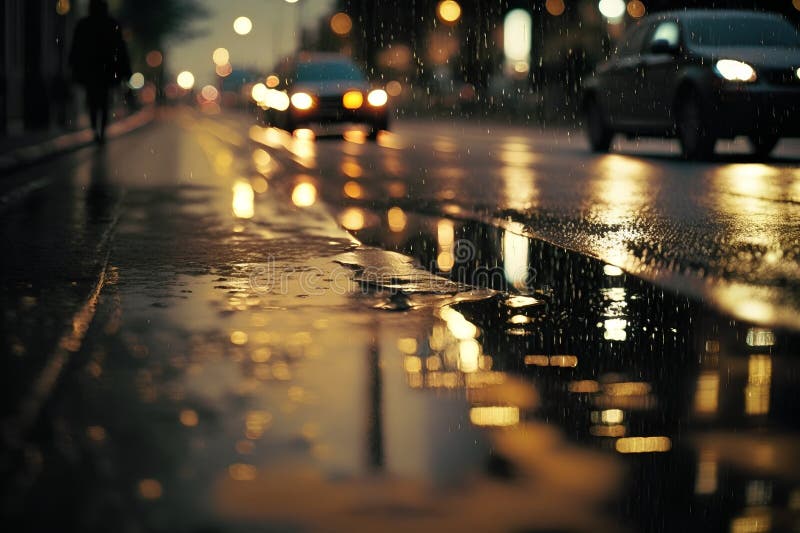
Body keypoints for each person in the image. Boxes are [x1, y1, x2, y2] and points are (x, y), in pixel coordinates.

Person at [69, 0, 131, 144]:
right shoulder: (111, 24)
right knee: (103, 102)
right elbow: (121, 49)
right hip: (106, 71)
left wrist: (73, 65)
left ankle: (95, 130)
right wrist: (125, 70)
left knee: (93, 100)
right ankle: (100, 131)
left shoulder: (84, 24)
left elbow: (76, 47)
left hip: (91, 70)